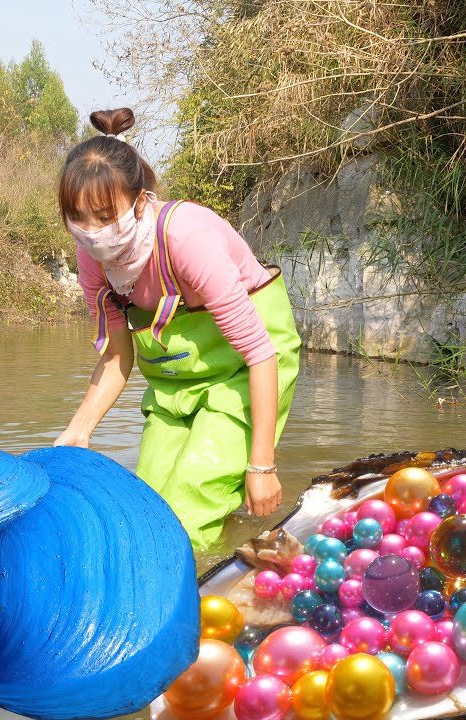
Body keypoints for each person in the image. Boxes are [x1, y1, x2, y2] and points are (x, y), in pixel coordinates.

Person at [53, 108, 302, 549]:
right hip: (176, 381)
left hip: (247, 370)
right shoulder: (93, 260)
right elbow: (117, 356)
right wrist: (79, 430)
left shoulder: (186, 239)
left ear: (140, 203)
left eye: (104, 217)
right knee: (146, 507)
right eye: (78, 217)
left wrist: (262, 466)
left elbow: (260, 354)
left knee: (187, 508)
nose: (91, 233)